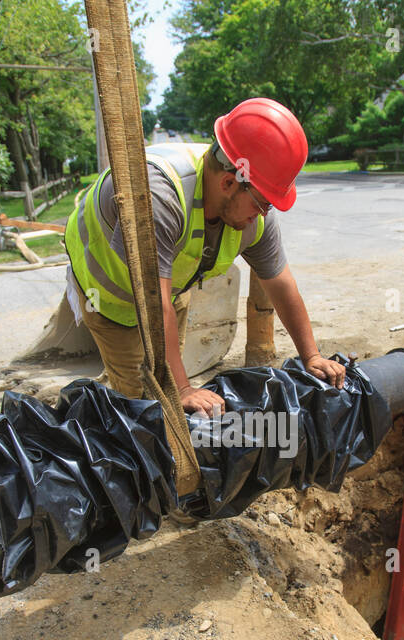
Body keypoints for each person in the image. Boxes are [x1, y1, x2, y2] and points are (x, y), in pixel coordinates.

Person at [62, 97, 346, 416]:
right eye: (262, 204)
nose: (263, 214)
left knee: (169, 376)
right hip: (111, 296)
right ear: (228, 183)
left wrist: (312, 357)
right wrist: (181, 389)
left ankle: (132, 393)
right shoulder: (158, 198)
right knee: (143, 400)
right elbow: (156, 306)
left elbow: (280, 282)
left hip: (167, 288)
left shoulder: (252, 202)